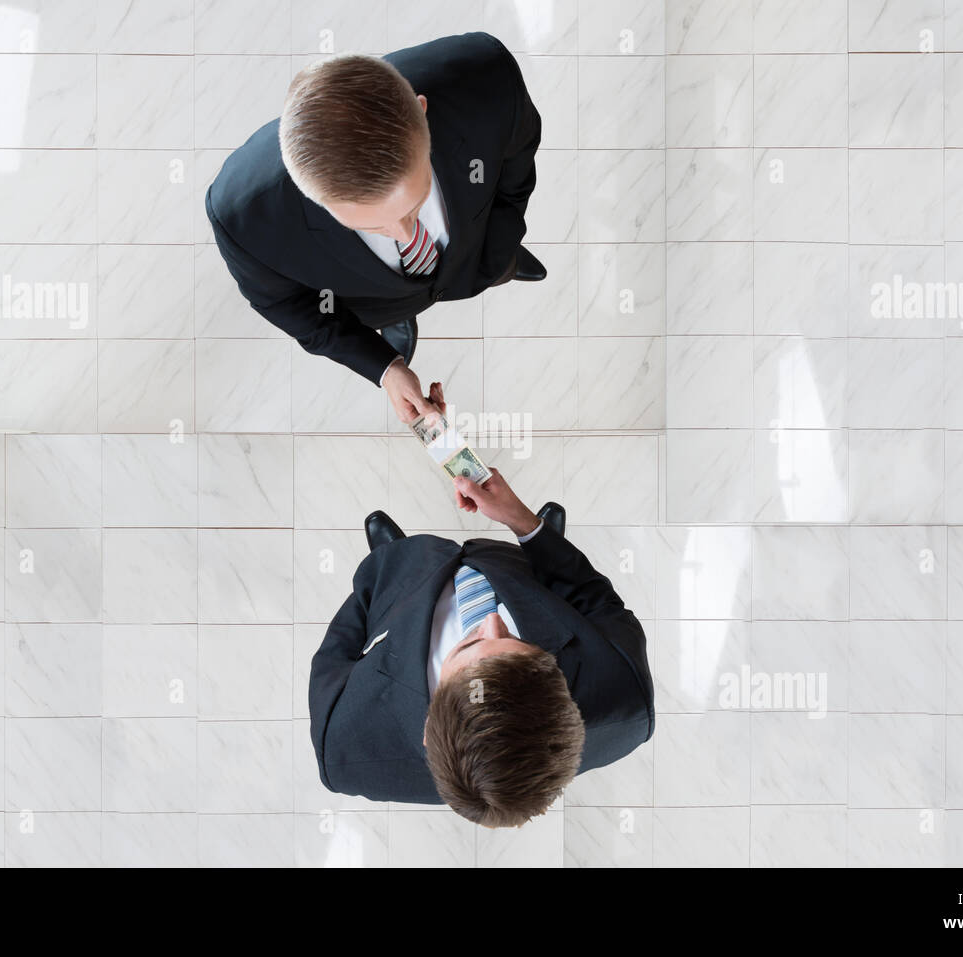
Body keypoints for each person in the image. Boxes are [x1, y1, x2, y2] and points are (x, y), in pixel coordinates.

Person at [205, 32, 545, 424]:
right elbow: (287, 305)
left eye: (414, 207)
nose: (405, 236)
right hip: (373, 298)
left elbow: (515, 166)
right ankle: (399, 316)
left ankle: (500, 267)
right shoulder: (244, 217)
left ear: (421, 114)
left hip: (477, 242)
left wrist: (497, 250)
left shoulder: (487, 78)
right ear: (307, 193)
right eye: (373, 227)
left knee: (493, 262)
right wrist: (386, 367)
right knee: (390, 302)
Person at [308, 469, 655, 827]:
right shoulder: (625, 697)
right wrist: (526, 525)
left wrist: (380, 579)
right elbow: (595, 602)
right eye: (517, 640)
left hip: (401, 594)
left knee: (394, 566)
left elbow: (337, 650)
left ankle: (396, 555)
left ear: (428, 726)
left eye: (470, 643)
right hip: (520, 576)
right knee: (556, 583)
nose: (491, 620)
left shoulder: (341, 747)